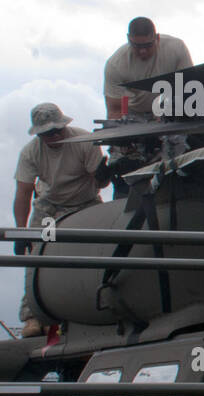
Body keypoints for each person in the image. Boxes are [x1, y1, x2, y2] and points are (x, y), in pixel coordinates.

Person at [12, 103, 107, 336]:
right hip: (50, 207)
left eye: (57, 131)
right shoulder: (30, 152)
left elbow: (101, 182)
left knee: (102, 251)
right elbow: (23, 193)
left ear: (65, 126)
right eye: (47, 133)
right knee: (37, 258)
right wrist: (21, 231)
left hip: (86, 202)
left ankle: (95, 310)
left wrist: (106, 175)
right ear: (39, 134)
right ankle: (33, 317)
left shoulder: (84, 141)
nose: (53, 136)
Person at [103, 17, 193, 193]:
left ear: (156, 38)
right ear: (129, 39)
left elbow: (189, 89)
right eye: (137, 47)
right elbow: (115, 109)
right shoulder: (116, 64)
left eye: (148, 46)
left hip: (170, 111)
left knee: (181, 156)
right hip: (135, 115)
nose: (143, 51)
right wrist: (122, 136)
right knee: (121, 161)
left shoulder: (176, 49)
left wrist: (169, 114)